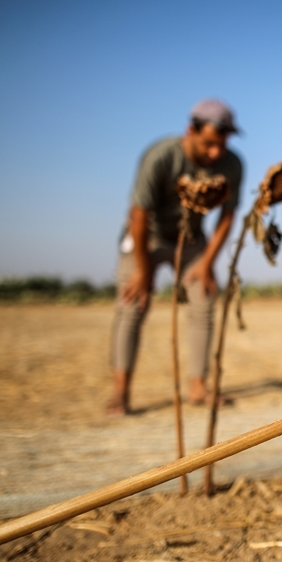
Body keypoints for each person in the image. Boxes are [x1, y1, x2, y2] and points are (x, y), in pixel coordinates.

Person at [106, 99, 244, 416]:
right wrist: (143, 271)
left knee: (204, 301)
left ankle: (198, 386)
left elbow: (227, 217)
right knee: (132, 305)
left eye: (221, 145)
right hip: (147, 238)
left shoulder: (232, 164)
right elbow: (138, 215)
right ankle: (120, 393)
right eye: (208, 144)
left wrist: (207, 264)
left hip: (192, 241)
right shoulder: (161, 155)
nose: (215, 154)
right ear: (190, 130)